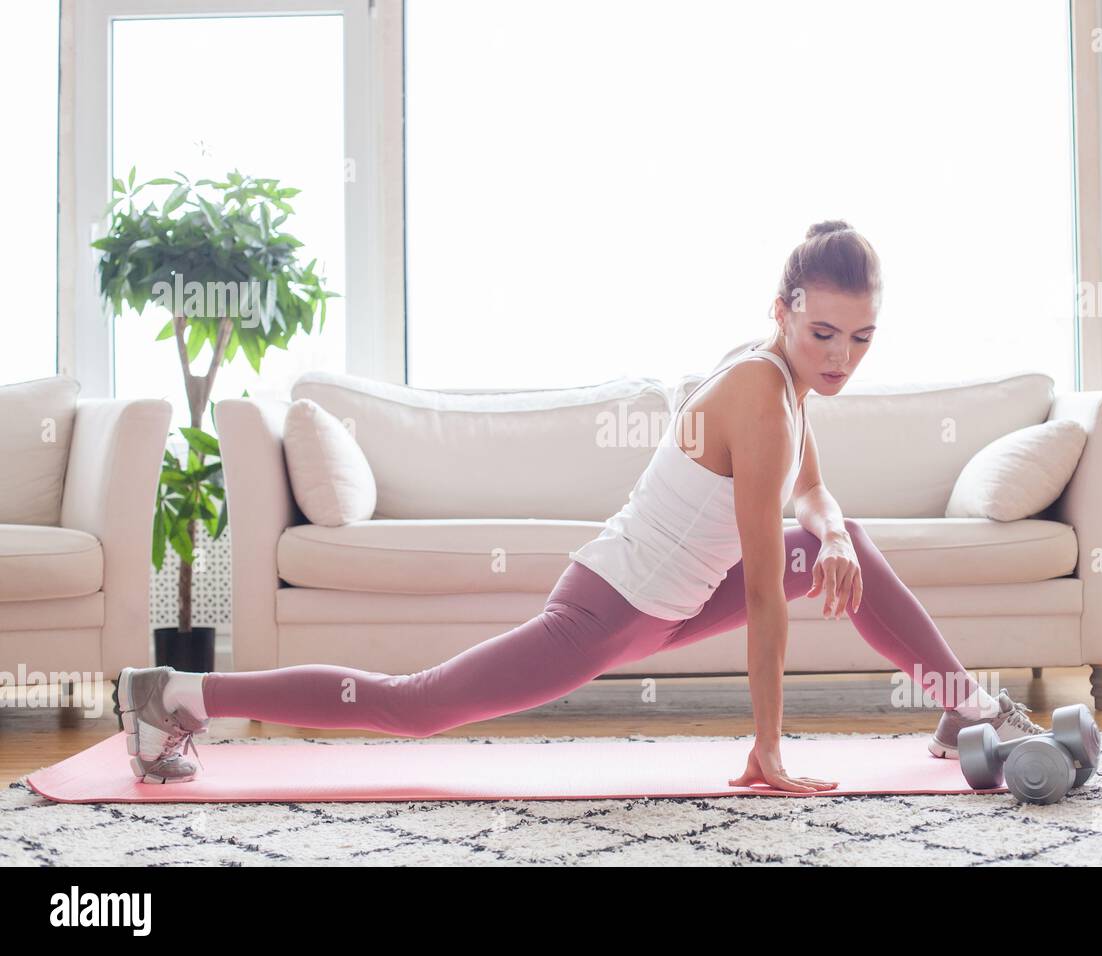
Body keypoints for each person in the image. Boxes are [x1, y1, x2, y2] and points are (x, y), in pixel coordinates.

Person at [115, 219, 1046, 790]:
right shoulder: (761, 392)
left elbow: (810, 487)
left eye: (862, 338)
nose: (842, 356)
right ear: (783, 310)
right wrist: (768, 745)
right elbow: (766, 592)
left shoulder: (786, 380)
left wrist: (834, 532)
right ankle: (176, 695)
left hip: (670, 602)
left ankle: (961, 703)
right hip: (608, 611)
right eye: (825, 333)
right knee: (415, 705)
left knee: (842, 545)